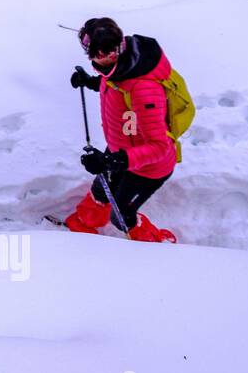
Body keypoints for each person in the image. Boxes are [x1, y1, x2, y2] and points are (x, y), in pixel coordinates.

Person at [65, 17, 178, 243]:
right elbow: (114, 85)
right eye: (95, 54)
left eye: (108, 52)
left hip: (149, 168)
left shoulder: (144, 89)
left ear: (120, 45)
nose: (103, 58)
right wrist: (90, 82)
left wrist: (113, 161)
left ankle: (154, 243)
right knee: (101, 190)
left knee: (121, 214)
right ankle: (84, 222)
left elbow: (160, 147)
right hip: (121, 148)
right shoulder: (119, 69)